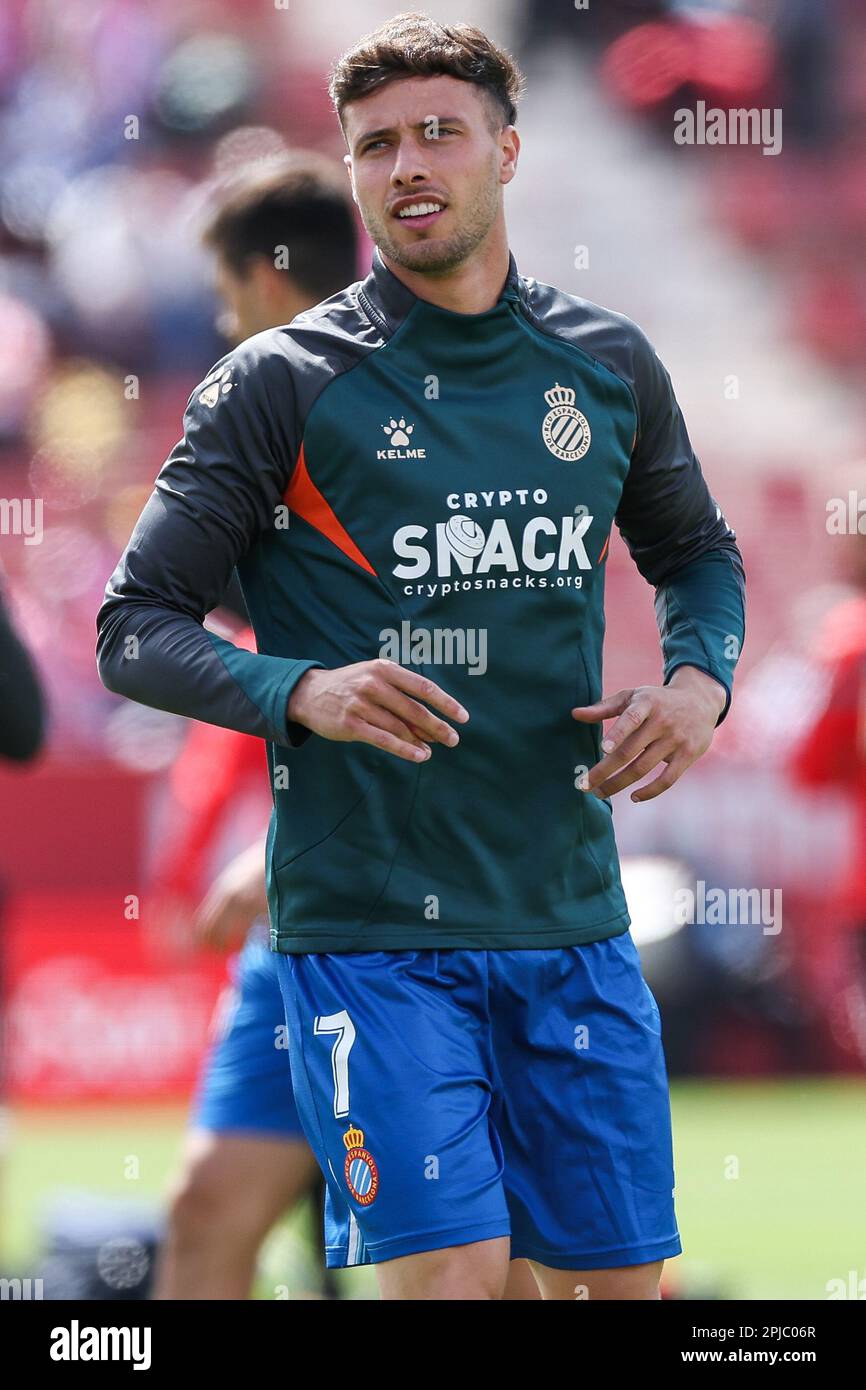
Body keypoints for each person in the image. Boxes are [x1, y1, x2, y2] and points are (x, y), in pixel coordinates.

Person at [97, 14, 746, 1301]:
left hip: (567, 916)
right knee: (447, 1276)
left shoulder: (605, 364)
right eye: (374, 144)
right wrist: (302, 692)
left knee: (616, 1294)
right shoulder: (274, 384)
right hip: (370, 937)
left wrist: (694, 682)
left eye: (437, 133)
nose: (406, 165)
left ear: (506, 151)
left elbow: (699, 554)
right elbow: (133, 625)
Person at [152, 156, 356, 1301]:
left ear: (267, 288)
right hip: (302, 915)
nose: (222, 323)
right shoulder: (249, 443)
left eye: (228, 296)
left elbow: (452, 691)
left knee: (461, 1249)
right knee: (207, 1208)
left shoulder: (399, 435)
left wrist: (269, 856)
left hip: (429, 907)